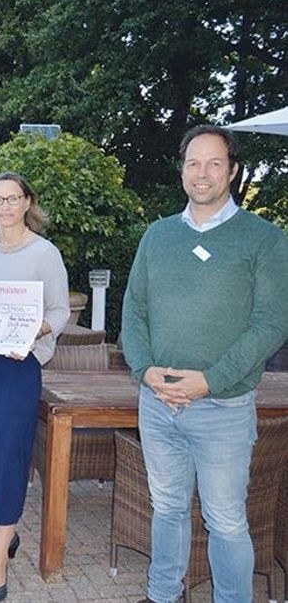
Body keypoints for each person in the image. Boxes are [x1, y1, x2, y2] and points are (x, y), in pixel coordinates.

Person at [122, 126, 288, 603]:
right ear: (181, 170)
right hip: (157, 403)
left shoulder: (263, 238)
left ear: (233, 171)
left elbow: (272, 323)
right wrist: (146, 370)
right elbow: (134, 311)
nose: (202, 173)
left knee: (227, 520)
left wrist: (210, 381)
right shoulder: (158, 236)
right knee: (167, 508)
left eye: (214, 163)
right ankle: (162, 594)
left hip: (224, 408)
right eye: (193, 162)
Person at [0, 173, 70, 601]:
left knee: (9, 452)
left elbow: (60, 311)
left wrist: (32, 334)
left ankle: (0, 559)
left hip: (18, 365)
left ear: (28, 201)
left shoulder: (45, 253)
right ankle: (1, 536)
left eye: (12, 198)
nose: (4, 206)